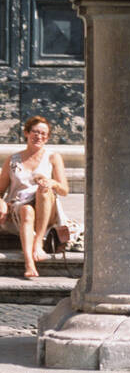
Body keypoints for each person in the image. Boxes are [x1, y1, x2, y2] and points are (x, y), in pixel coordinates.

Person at [0, 115, 69, 280]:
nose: (39, 136)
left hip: (47, 209)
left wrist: (52, 183)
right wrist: (1, 202)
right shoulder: (13, 160)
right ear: (26, 133)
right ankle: (29, 262)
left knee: (44, 190)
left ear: (48, 137)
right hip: (19, 209)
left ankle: (38, 242)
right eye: (35, 132)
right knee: (27, 211)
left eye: (44, 134)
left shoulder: (53, 157)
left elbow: (64, 190)